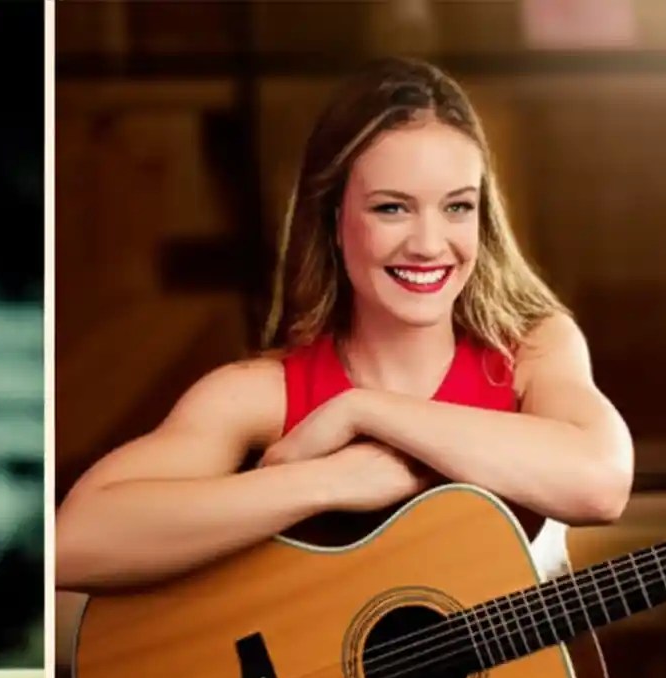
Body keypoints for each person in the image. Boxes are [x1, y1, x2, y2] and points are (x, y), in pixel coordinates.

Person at [55, 57, 634, 592]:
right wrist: (333, 483)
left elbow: (600, 484)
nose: (430, 245)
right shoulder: (263, 394)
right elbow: (73, 544)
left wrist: (364, 411)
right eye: (391, 208)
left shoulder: (534, 348)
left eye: (457, 206)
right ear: (333, 220)